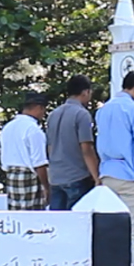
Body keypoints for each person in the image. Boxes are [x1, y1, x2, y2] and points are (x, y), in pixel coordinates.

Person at [95, 70, 134, 266]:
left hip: (107, 173)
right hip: (129, 175)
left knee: (108, 230)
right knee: (129, 230)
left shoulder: (104, 110)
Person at [46, 75, 100, 210]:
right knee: (77, 223)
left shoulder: (53, 114)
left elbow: (49, 147)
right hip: (76, 176)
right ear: (85, 92)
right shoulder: (82, 114)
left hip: (56, 176)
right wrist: (96, 176)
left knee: (56, 224)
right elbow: (86, 148)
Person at [0, 92, 50, 210]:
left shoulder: (8, 127)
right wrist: (46, 187)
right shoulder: (33, 130)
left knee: (16, 217)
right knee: (32, 217)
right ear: (39, 107)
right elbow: (39, 163)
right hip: (29, 178)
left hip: (11, 175)